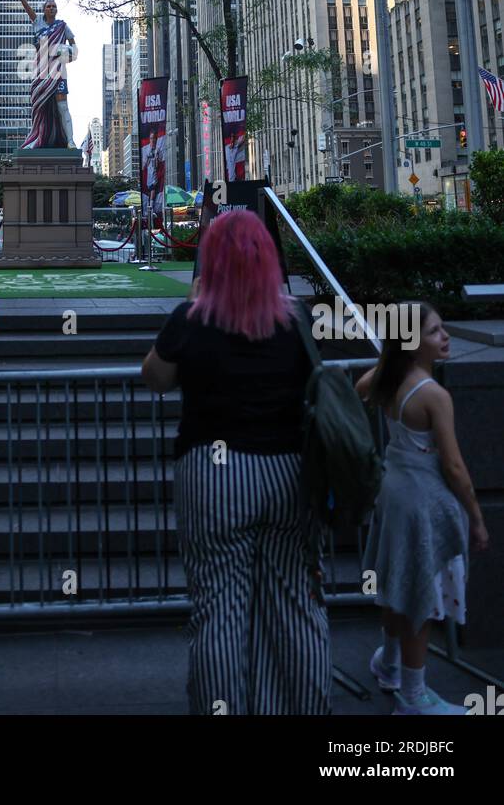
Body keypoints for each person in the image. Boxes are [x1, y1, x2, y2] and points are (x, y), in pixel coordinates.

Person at [141, 210, 330, 716]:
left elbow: (155, 378)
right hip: (288, 474)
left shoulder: (192, 318)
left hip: (214, 477)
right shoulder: (296, 319)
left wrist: (190, 306)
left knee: (219, 610)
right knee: (295, 605)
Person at [355, 303, 489, 716]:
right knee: (422, 596)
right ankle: (413, 696)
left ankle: (390, 663)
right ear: (414, 343)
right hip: (423, 504)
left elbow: (361, 385)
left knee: (399, 582)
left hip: (395, 496)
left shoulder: (390, 379)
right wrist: (476, 518)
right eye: (434, 332)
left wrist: (393, 359)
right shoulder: (433, 394)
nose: (445, 337)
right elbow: (453, 466)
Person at [8, 0, 76, 149]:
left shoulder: (62, 26)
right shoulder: (37, 22)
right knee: (39, 105)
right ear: (44, 9)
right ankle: (38, 138)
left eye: (54, 6)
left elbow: (75, 48)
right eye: (49, 6)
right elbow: (24, 4)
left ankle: (70, 141)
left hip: (59, 71)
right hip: (41, 70)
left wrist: (68, 52)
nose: (52, 9)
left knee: (63, 106)